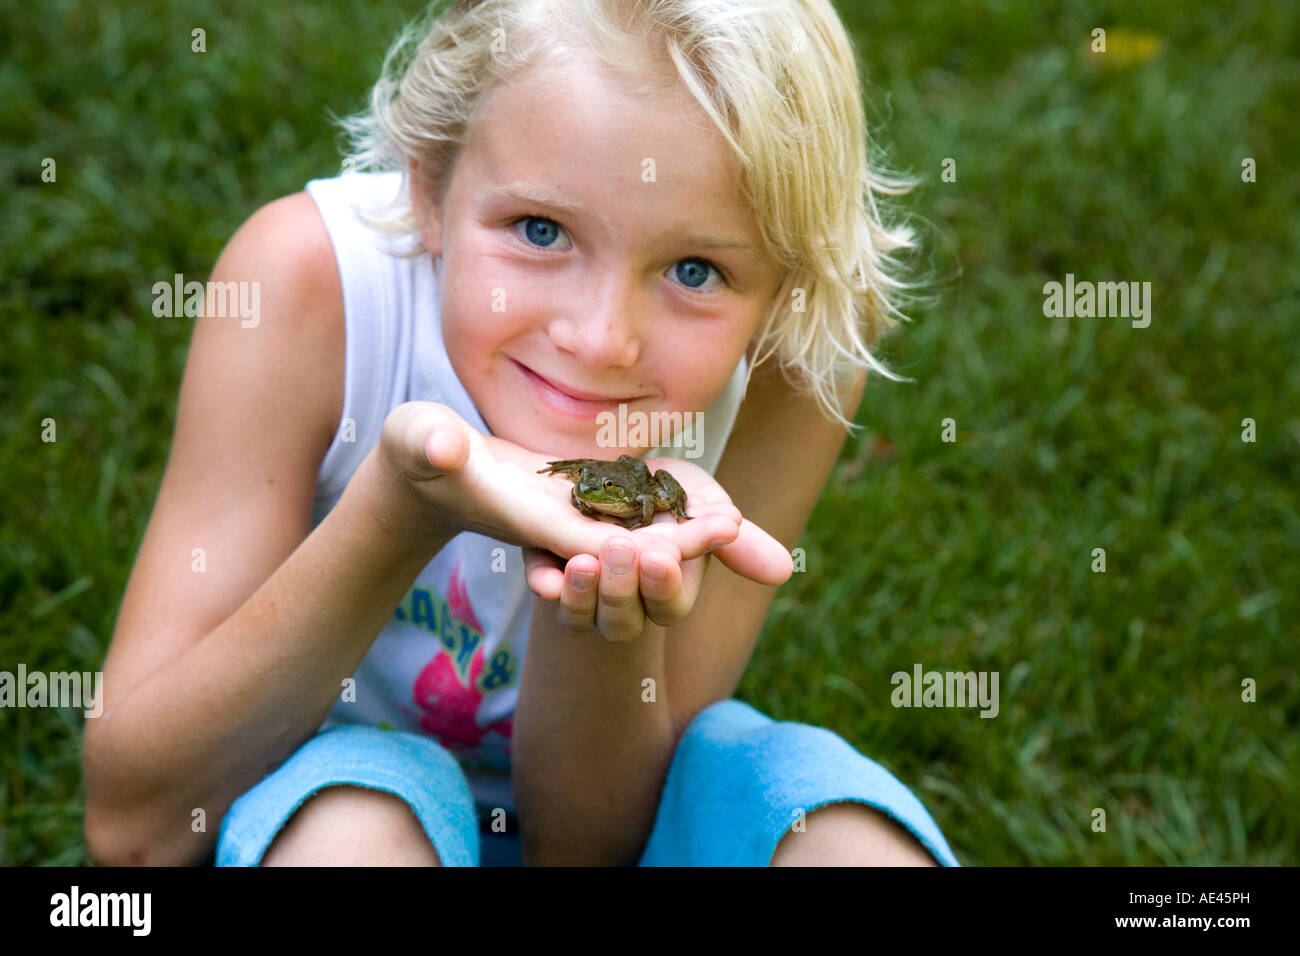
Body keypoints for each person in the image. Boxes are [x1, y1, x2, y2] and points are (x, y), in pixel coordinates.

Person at [82, 0, 959, 867]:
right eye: (541, 231)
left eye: (696, 270)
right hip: (316, 797)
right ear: (427, 183)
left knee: (832, 824)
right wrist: (398, 508)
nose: (600, 339)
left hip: (610, 797)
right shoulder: (312, 286)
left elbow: (594, 844)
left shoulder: (789, 360)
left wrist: (608, 598)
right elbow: (134, 832)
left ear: (783, 287)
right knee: (353, 822)